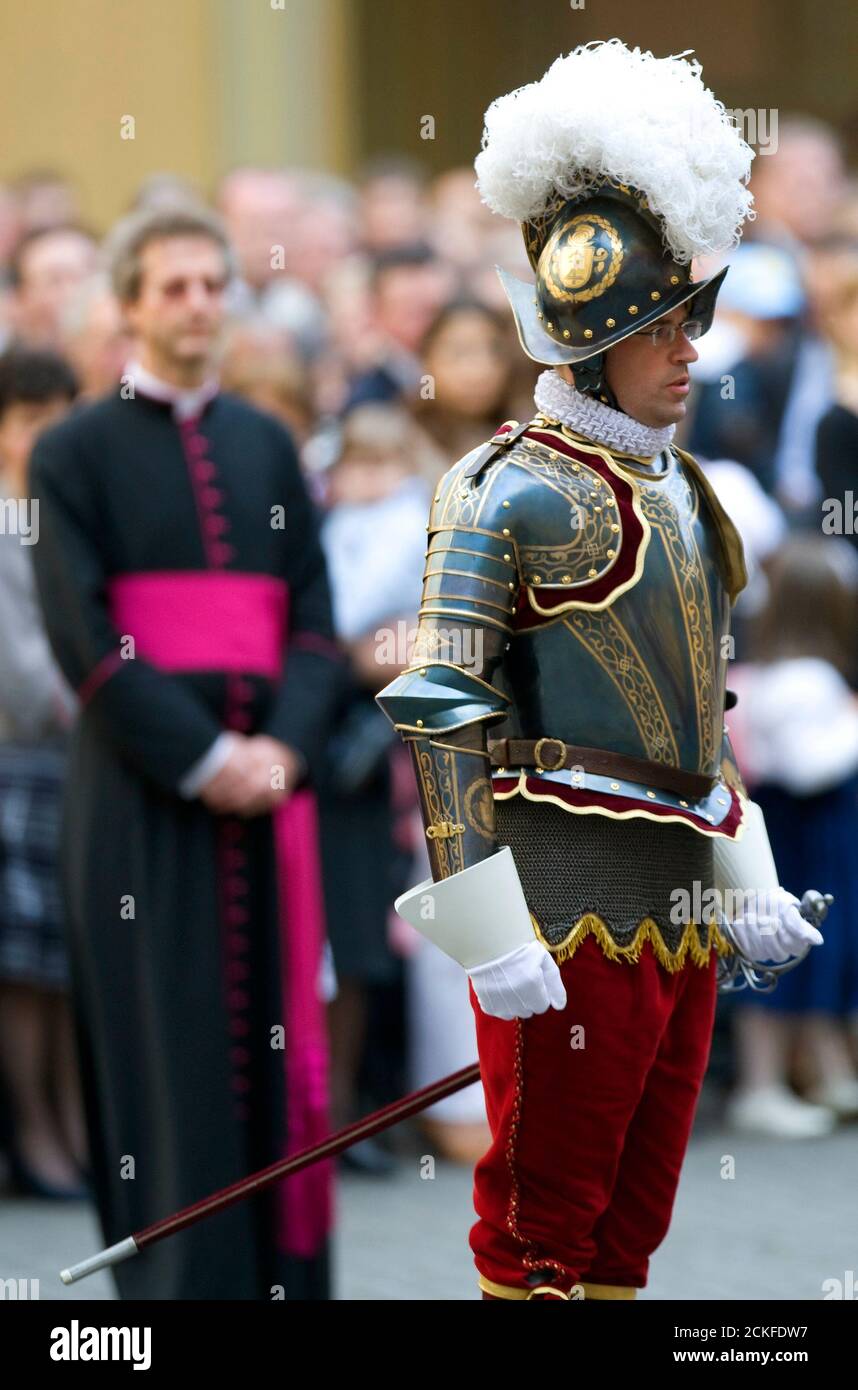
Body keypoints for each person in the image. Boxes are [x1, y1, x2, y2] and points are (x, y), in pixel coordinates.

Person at [375, 40, 826, 1302]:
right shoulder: (498, 486)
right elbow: (442, 711)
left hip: (676, 895)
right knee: (538, 1234)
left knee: (630, 1232)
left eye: (691, 317)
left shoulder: (683, 486)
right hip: (558, 894)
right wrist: (479, 924)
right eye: (662, 325)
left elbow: (700, 706)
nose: (690, 346)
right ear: (591, 338)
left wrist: (746, 869)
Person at [29, 203, 346, 1299]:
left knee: (268, 1055)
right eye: (174, 287)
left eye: (215, 284)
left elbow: (312, 620)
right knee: (165, 1058)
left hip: (270, 796)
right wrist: (211, 757)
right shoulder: (72, 450)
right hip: (142, 799)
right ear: (127, 306)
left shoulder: (266, 442)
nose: (200, 305)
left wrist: (283, 753)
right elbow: (89, 642)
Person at [0, 346, 84, 1199]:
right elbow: (25, 678)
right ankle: (33, 1131)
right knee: (23, 963)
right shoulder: (4, 526)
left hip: (73, 759)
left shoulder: (64, 516)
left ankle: (68, 1120)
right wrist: (107, 694)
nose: (46, 438)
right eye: (28, 422)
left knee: (65, 956)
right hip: (20, 760)